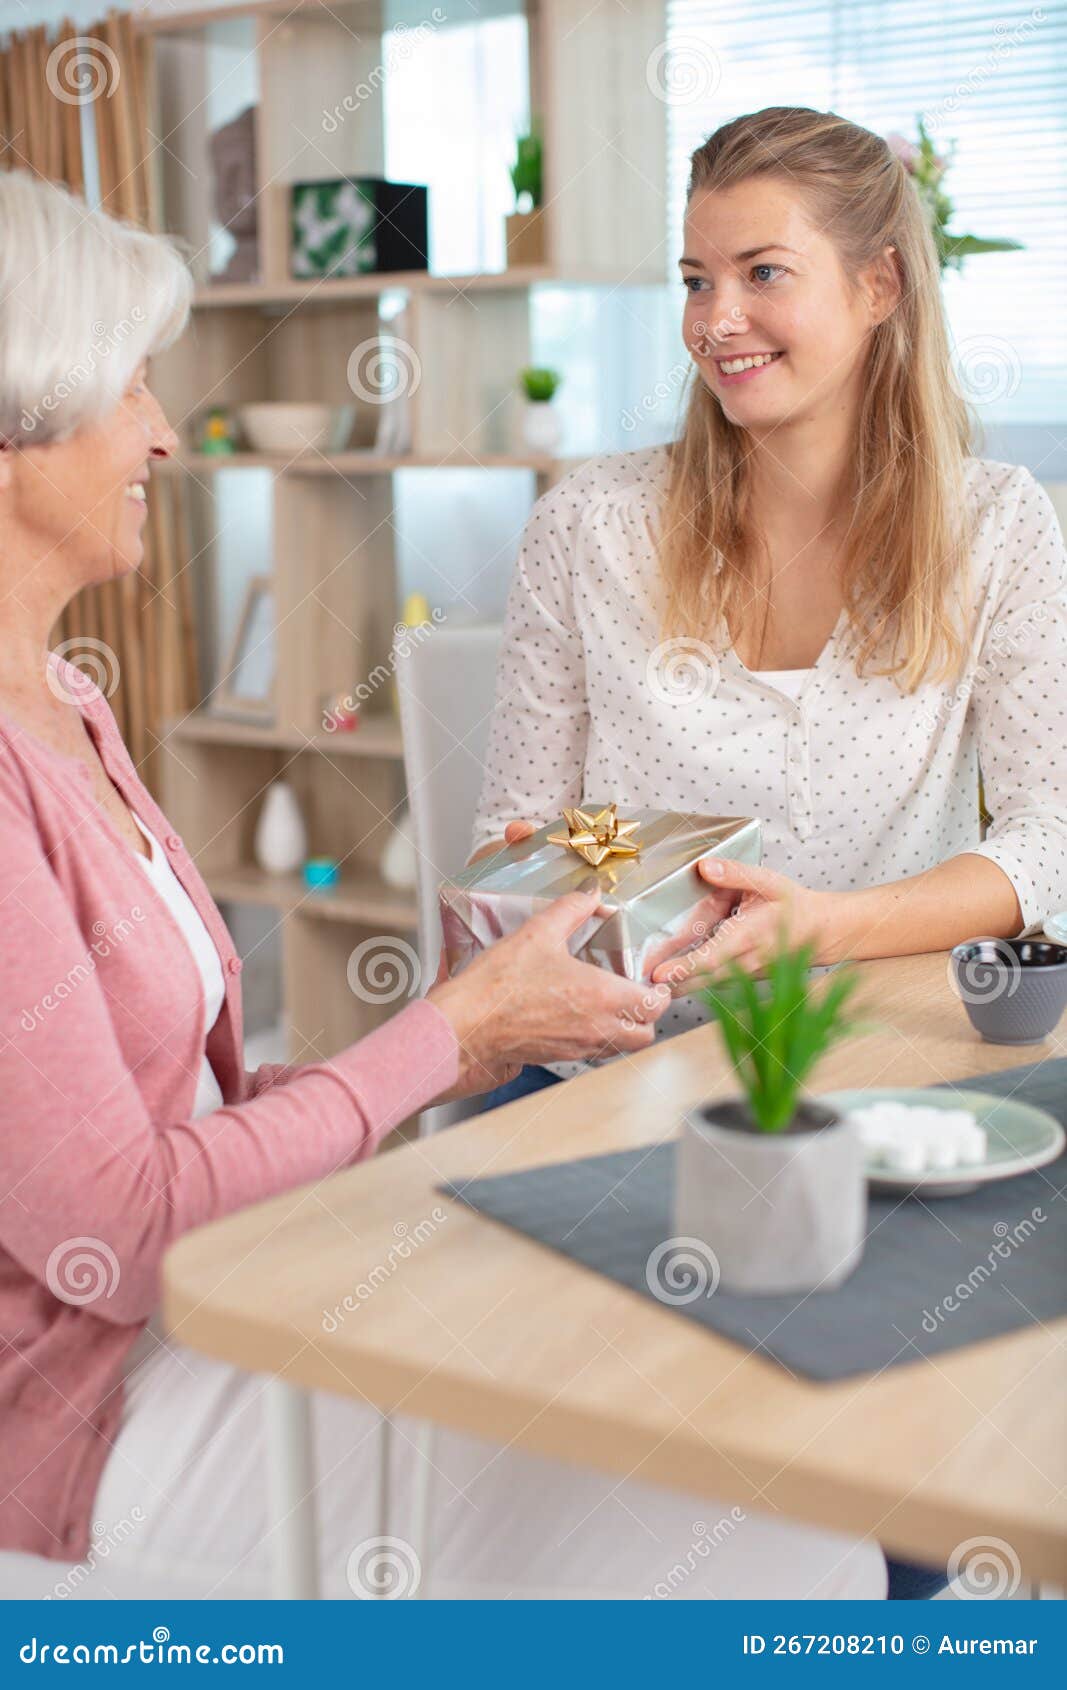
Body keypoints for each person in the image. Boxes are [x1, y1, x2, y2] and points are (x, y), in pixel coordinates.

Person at [0, 169, 884, 1600]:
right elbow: (113, 1220)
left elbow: (190, 1109)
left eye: (764, 275)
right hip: (110, 1398)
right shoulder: (596, 524)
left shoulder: (66, 705)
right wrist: (467, 1027)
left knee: (758, 1425)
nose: (166, 430)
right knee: (775, 1539)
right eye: (131, 388)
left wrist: (447, 1048)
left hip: (251, 1281)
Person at [471, 107, 1067, 1596]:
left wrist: (833, 926)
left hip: (893, 1083)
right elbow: (521, 834)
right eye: (691, 278)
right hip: (622, 1065)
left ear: (879, 287)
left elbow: (1054, 836)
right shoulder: (592, 524)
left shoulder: (999, 528)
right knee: (658, 1481)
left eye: (759, 273)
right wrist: (649, 871)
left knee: (919, 1477)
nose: (715, 321)